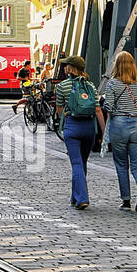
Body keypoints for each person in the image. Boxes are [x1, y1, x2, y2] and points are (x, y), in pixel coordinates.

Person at [102, 51, 137, 213]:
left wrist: (104, 101)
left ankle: (126, 201)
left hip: (119, 125)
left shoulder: (112, 84)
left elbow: (108, 107)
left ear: (117, 65)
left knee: (122, 164)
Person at [54, 55, 104, 209]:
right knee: (82, 162)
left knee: (76, 163)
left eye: (66, 65)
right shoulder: (91, 86)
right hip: (89, 128)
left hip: (72, 127)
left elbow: (59, 110)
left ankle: (82, 198)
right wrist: (103, 132)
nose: (64, 67)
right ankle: (75, 197)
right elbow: (97, 110)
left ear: (71, 68)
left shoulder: (62, 86)